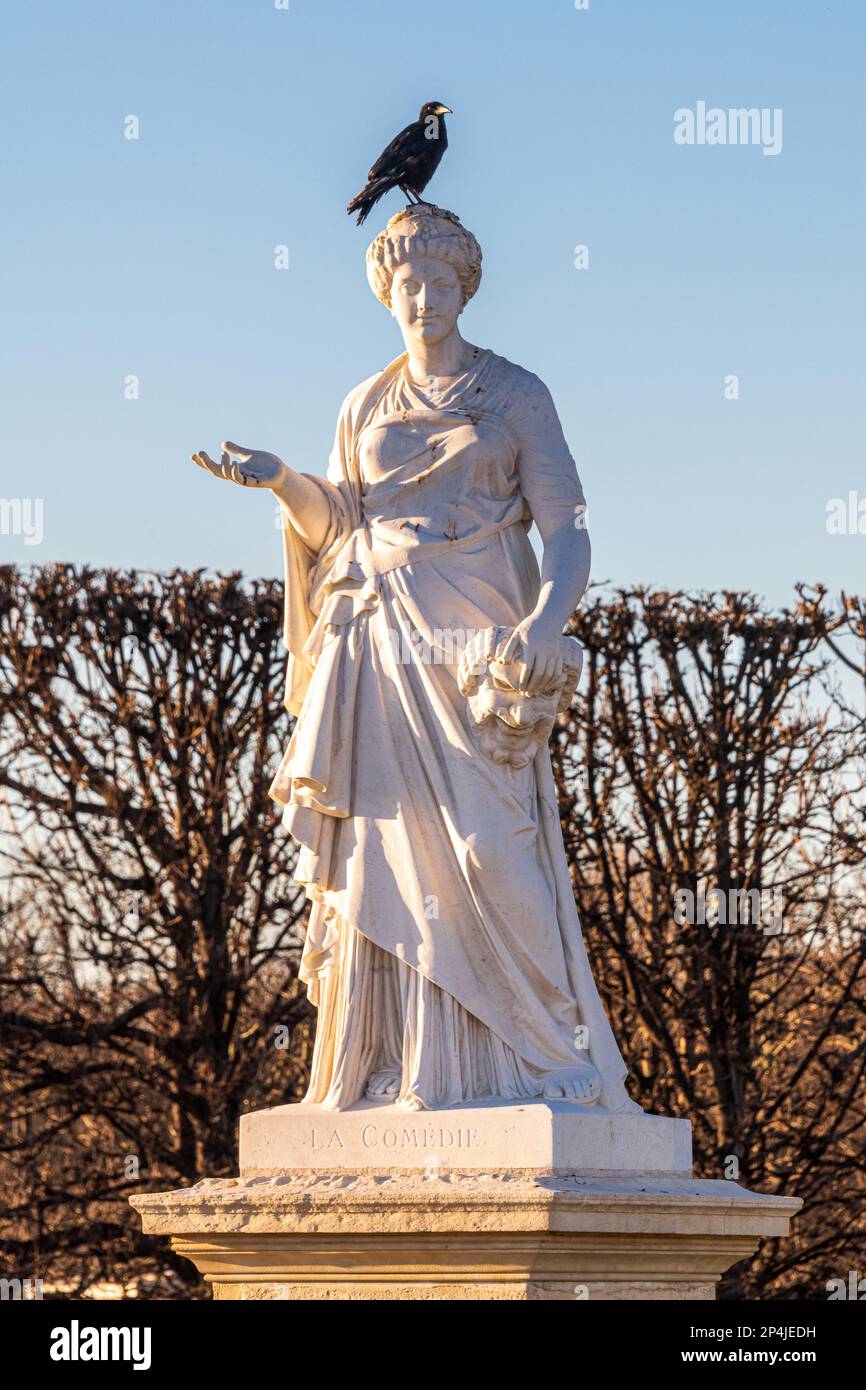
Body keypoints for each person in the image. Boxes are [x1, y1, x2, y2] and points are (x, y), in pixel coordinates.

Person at [193, 205, 638, 1115]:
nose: (424, 299)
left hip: (477, 645)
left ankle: (549, 1054)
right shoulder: (364, 402)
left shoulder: (516, 394)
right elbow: (339, 527)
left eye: (439, 284)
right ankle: (395, 1063)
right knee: (384, 854)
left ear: (465, 289)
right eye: (408, 286)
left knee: (492, 850)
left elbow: (568, 530)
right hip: (380, 640)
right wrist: (282, 480)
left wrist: (549, 620)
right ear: (388, 296)